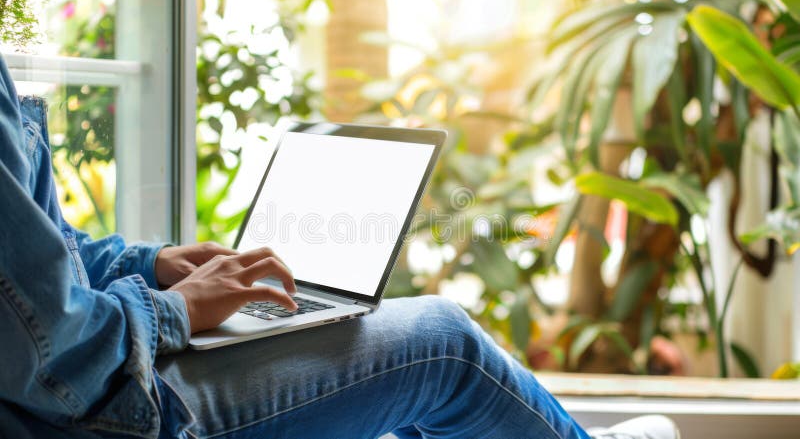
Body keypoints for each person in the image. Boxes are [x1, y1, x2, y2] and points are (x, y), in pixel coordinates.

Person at [0, 48, 678, 439]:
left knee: (378, 344)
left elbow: (34, 267)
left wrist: (149, 264)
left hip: (100, 384)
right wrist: (172, 308)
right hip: (104, 412)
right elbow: (53, 350)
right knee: (443, 342)